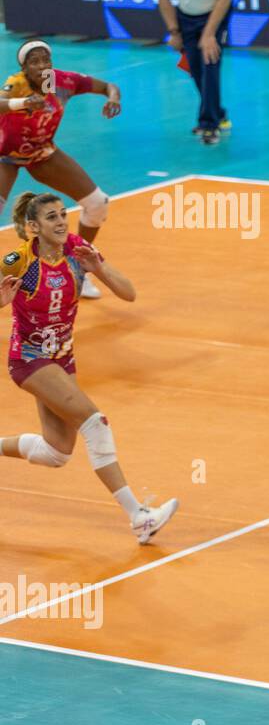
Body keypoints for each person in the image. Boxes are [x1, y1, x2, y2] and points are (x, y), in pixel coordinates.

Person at [1, 192, 179, 544]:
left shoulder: (77, 251)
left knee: (56, 452)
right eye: (51, 217)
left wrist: (99, 267)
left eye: (62, 214)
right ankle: (138, 517)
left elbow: (129, 294)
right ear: (33, 227)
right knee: (95, 423)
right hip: (30, 358)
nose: (61, 222)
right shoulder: (18, 262)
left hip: (63, 357)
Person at [0, 41, 121, 299]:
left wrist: (113, 97)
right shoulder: (16, 84)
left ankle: (78, 271)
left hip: (41, 153)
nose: (42, 66)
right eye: (34, 61)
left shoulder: (64, 82)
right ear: (24, 67)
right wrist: (21, 103)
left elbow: (108, 86)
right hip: (4, 157)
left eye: (46, 60)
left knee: (98, 203)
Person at [154, 0, 232, 145]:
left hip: (215, 13)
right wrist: (174, 31)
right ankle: (219, 113)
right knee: (195, 68)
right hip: (186, 16)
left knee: (210, 63)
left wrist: (209, 35)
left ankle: (209, 124)